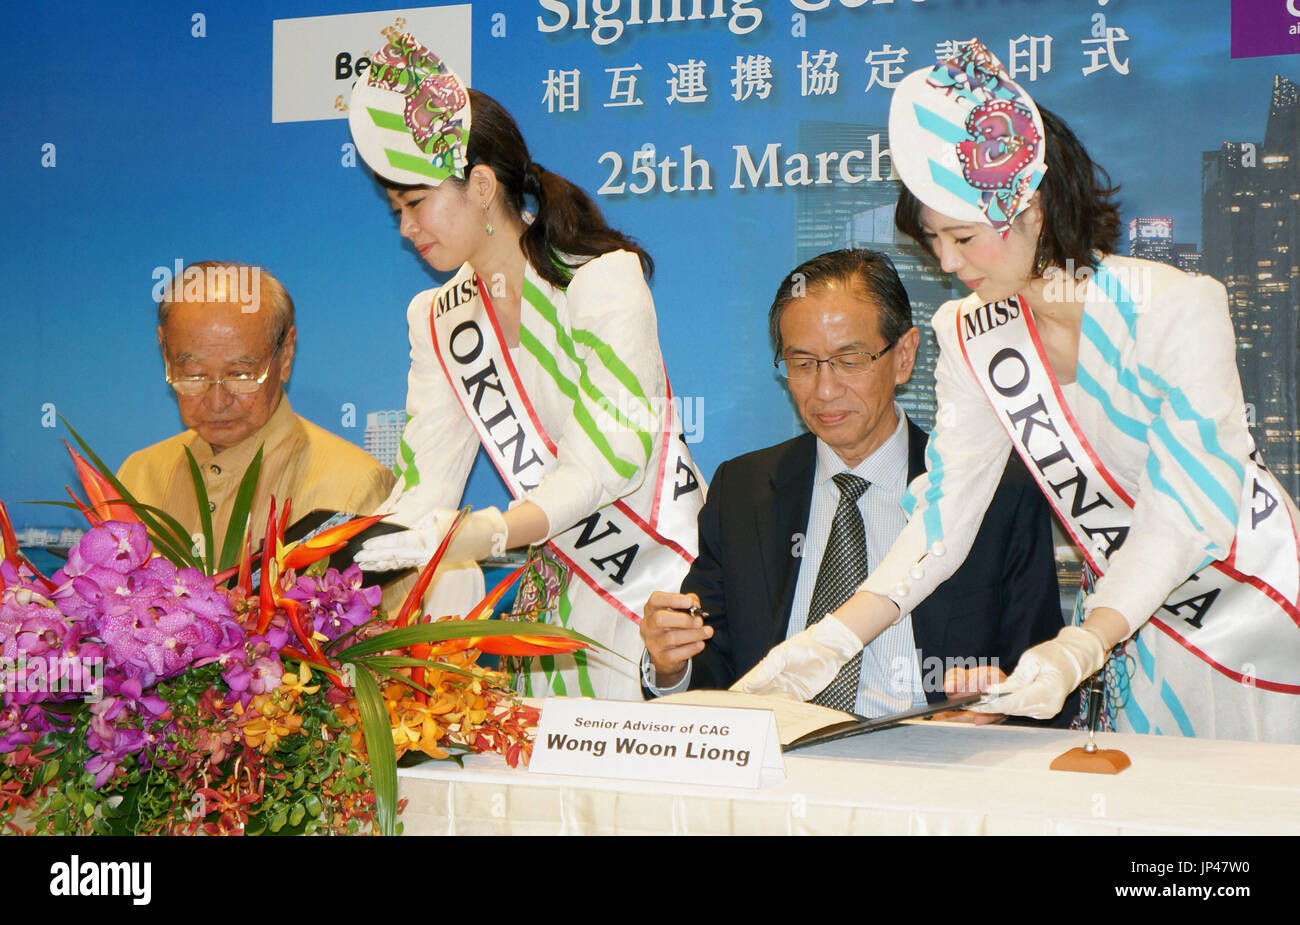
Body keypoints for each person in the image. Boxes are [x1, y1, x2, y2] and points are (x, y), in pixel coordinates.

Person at [736, 40, 1300, 742]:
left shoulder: (1173, 307)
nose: (945, 261)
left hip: (1252, 603)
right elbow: (944, 519)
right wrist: (830, 638)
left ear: (1030, 210)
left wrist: (1082, 645)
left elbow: (1181, 513)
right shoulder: (973, 333)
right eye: (935, 238)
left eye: (964, 237)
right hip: (1138, 620)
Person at [346, 33, 704, 701]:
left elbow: (611, 456)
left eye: (417, 203)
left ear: (481, 186)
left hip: (655, 595)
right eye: (396, 211)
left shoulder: (602, 281)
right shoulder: (439, 317)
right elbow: (426, 486)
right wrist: (349, 558)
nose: (406, 229)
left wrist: (497, 530)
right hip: (551, 618)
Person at [641, 248, 1068, 721]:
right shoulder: (743, 491)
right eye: (802, 364)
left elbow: (1039, 673)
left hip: (927, 766)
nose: (824, 390)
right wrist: (668, 664)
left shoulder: (995, 492)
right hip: (775, 764)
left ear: (904, 356)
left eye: (850, 359)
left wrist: (998, 708)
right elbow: (712, 676)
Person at [118, 261, 395, 545]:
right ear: (165, 354)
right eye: (195, 376)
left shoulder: (352, 489)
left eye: (240, 375)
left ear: (286, 354)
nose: (216, 403)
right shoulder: (138, 478)